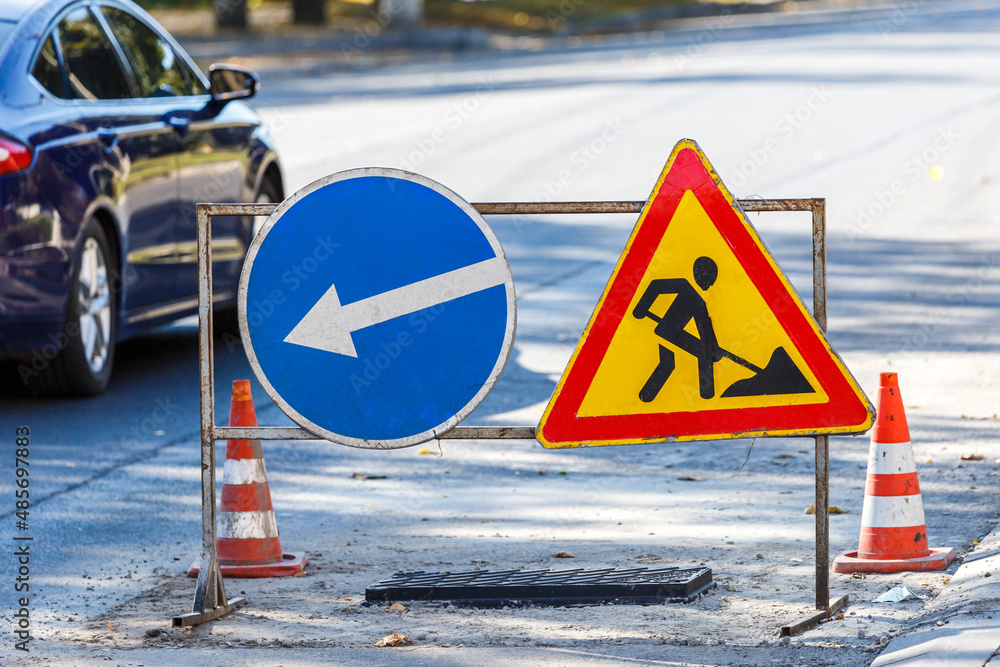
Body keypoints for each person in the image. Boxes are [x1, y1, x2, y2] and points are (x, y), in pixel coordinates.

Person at [632, 257, 722, 401]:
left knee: (672, 363)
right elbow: (656, 286)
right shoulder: (683, 285)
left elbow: (705, 330)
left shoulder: (700, 304)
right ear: (698, 274)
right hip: (666, 330)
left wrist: (715, 350)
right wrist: (640, 309)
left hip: (673, 333)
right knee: (695, 356)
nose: (710, 284)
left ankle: (706, 396)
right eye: (708, 278)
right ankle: (706, 394)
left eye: (712, 279)